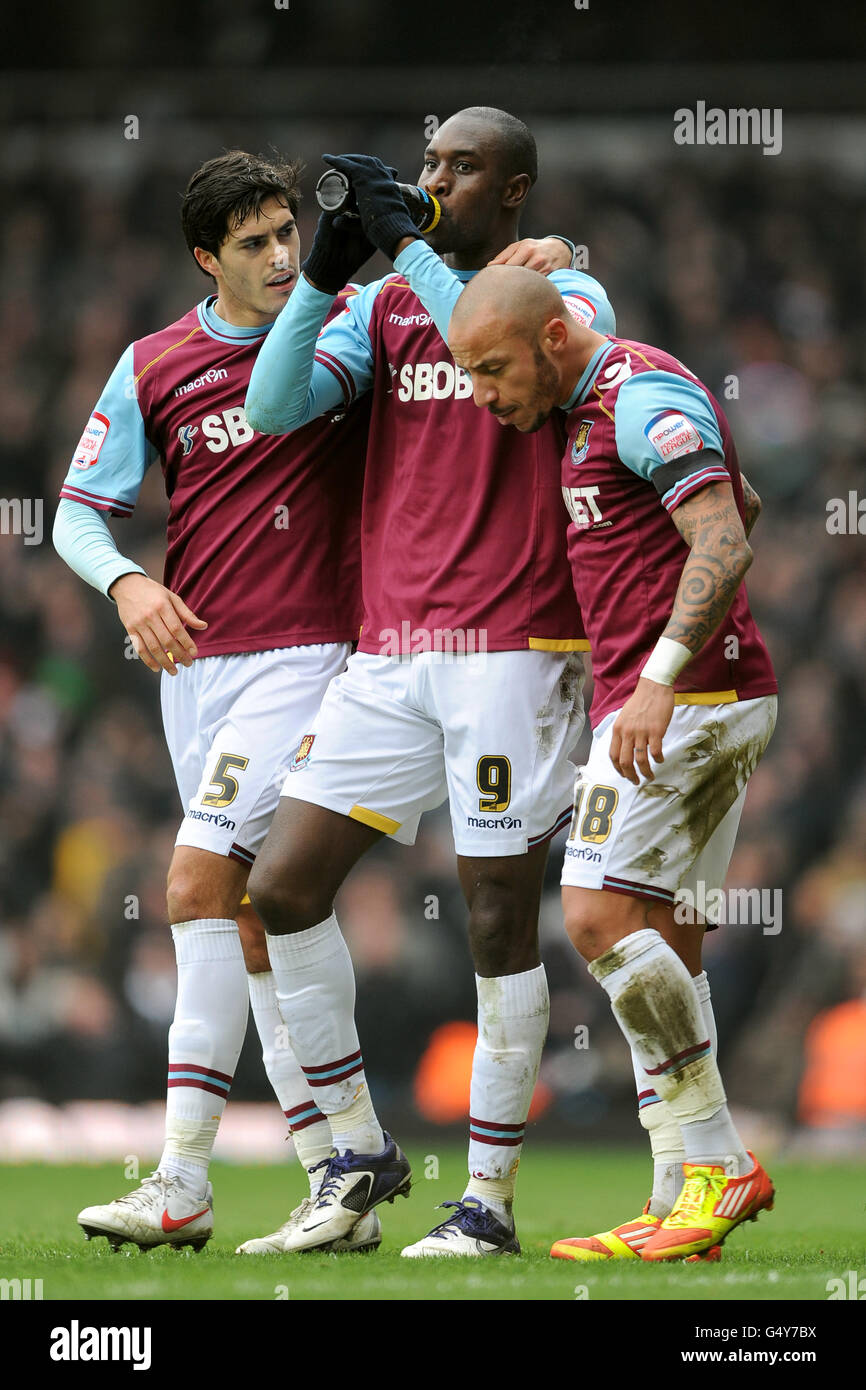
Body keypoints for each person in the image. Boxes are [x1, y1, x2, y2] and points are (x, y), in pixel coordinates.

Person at [243, 107, 615, 1257]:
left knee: (496, 914)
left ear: (512, 190)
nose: (433, 179)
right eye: (426, 165)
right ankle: (355, 1158)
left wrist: (405, 245)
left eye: (459, 168)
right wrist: (323, 276)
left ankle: (488, 1204)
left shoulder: (569, 297)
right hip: (391, 651)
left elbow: (484, 330)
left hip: (512, 645)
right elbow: (268, 409)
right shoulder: (383, 303)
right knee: (283, 886)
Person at [52, 150, 381, 1254]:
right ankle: (340, 1174)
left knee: (194, 882)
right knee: (246, 923)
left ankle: (181, 1178)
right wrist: (129, 579)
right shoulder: (153, 363)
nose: (283, 255)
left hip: (308, 655)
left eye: (288, 232)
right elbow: (77, 513)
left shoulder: (341, 332)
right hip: (196, 670)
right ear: (207, 257)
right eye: (254, 243)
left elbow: (445, 307)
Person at [443, 264, 779, 1262]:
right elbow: (744, 497)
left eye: (492, 369)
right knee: (666, 943)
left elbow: (724, 536)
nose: (482, 395)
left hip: (690, 704)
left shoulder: (641, 395)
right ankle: (680, 1196)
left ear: (551, 342)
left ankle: (718, 1162)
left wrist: (660, 671)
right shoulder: (575, 401)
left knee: (589, 912)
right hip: (680, 698)